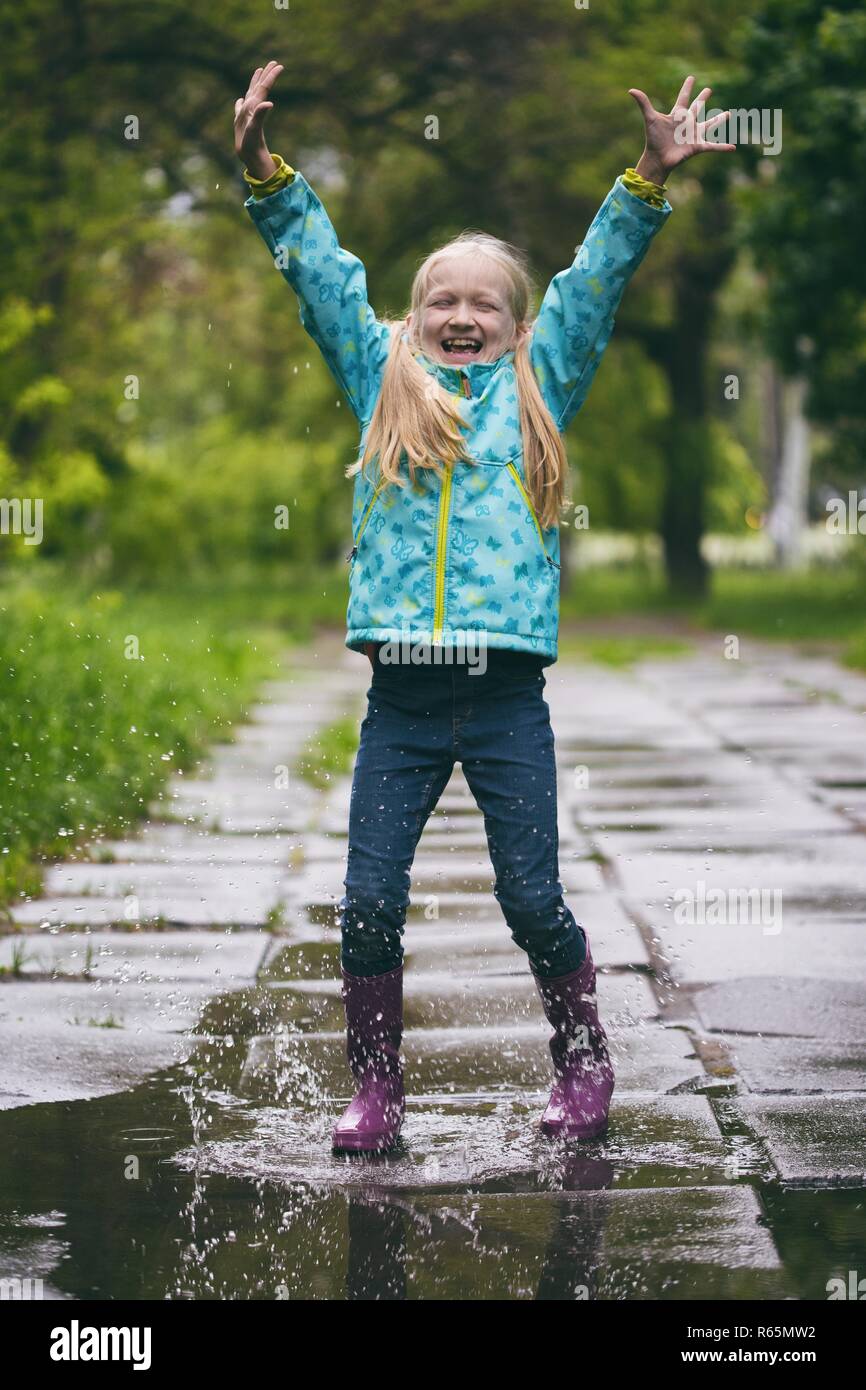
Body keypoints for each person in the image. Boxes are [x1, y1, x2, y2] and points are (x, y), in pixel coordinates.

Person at [235, 62, 733, 1152]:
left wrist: (647, 179)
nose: (460, 315)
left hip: (506, 699)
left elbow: (593, 278)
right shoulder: (380, 378)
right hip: (401, 703)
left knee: (531, 898)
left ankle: (584, 1059)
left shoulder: (539, 382)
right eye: (439, 301)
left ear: (514, 323)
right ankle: (375, 1093)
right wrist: (268, 177)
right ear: (411, 318)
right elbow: (320, 273)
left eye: (482, 303)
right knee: (365, 900)